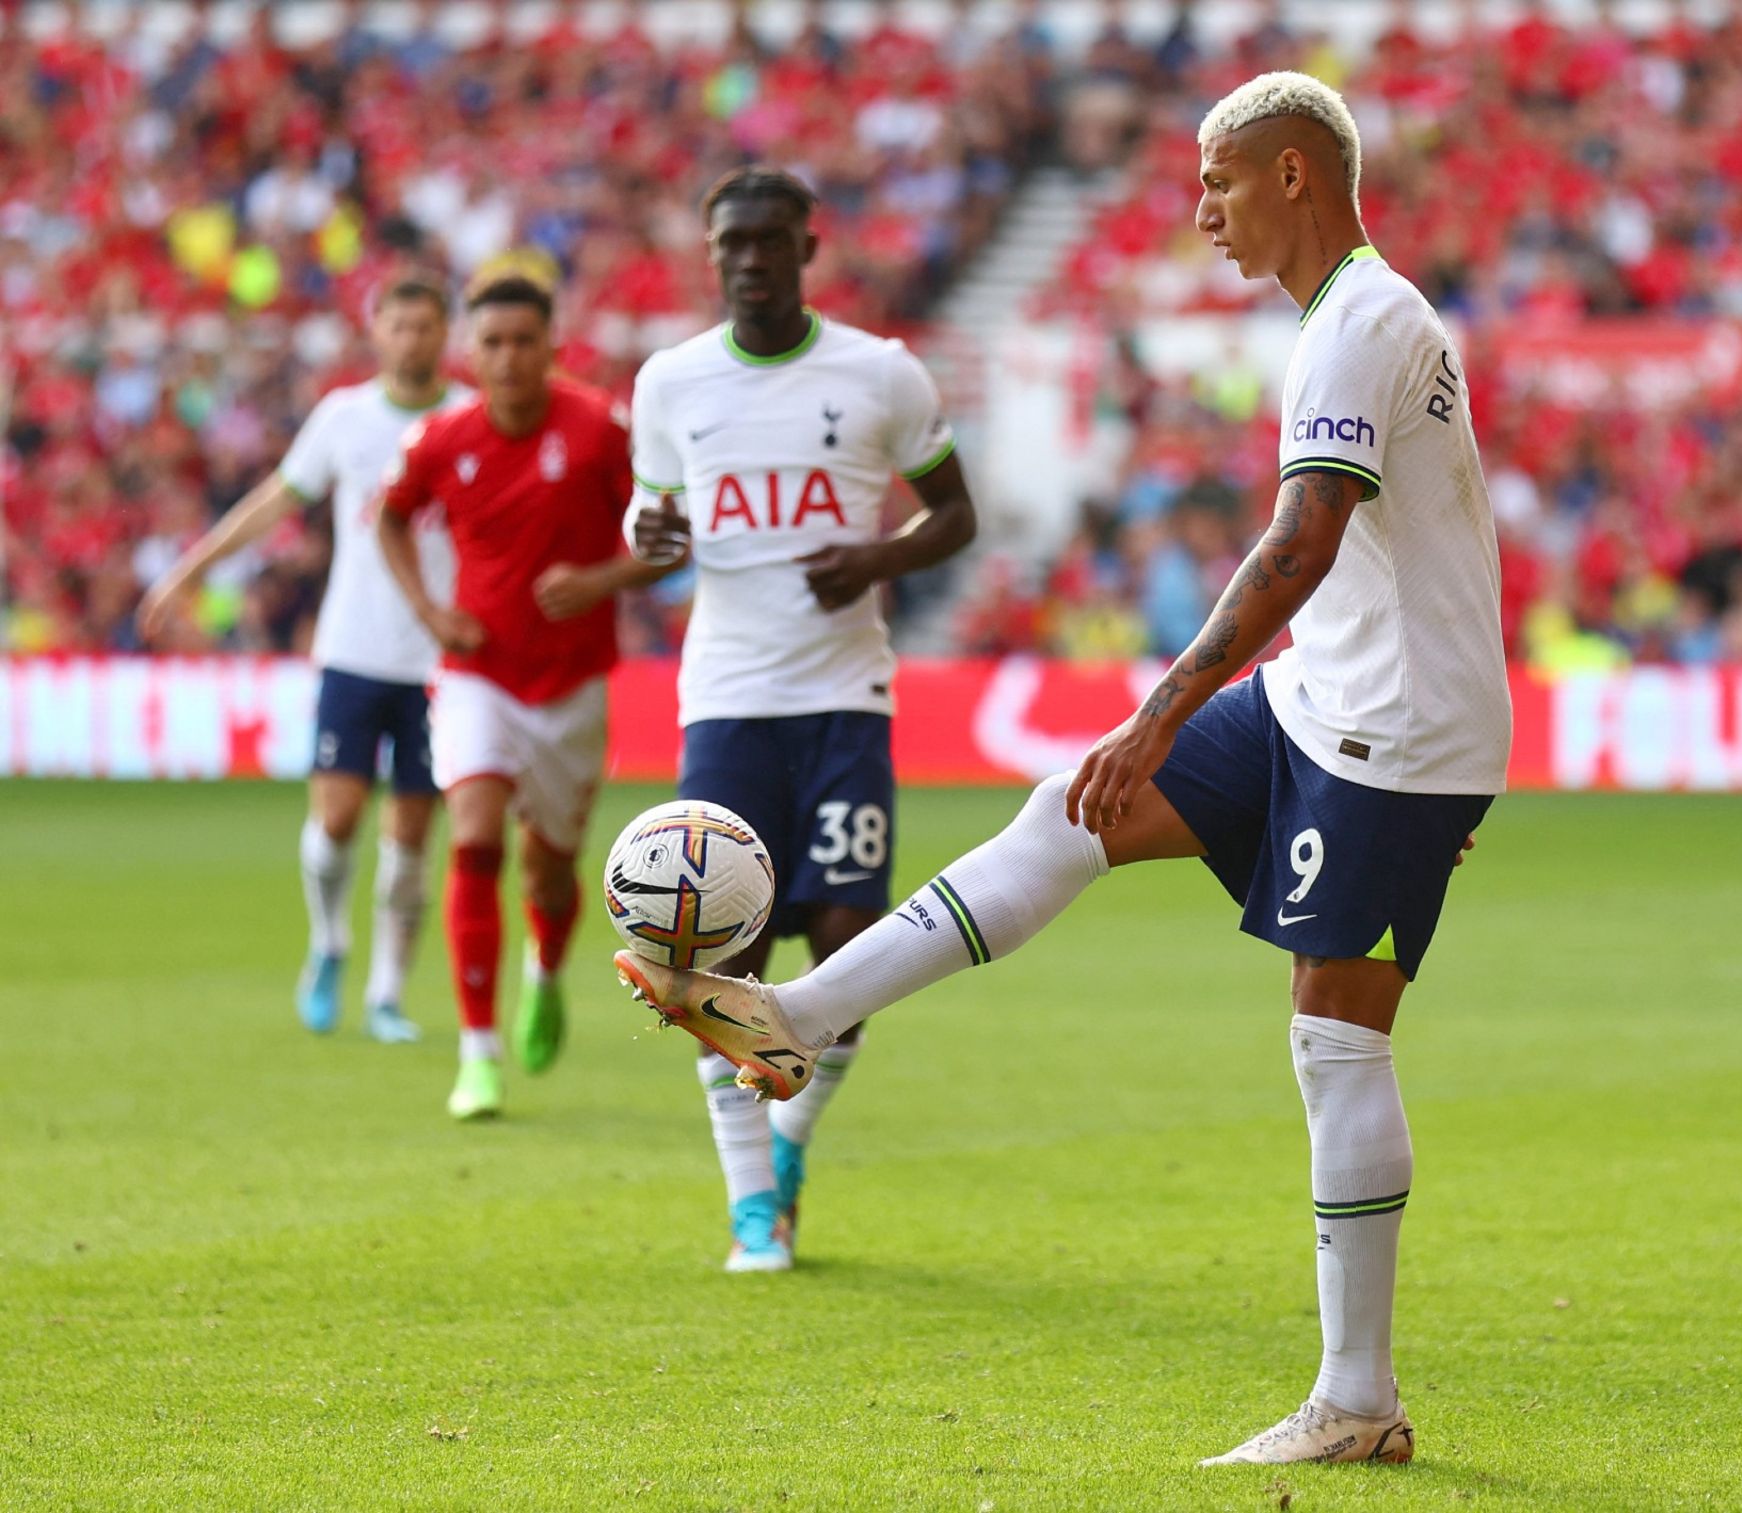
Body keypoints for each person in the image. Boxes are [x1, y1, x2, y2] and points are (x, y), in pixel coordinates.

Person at [615, 72, 1509, 1467]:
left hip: (1394, 730)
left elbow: (1301, 543)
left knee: (1336, 1033)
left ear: (1291, 173)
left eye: (1218, 182)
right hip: (1325, 696)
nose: (1201, 212)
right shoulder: (1343, 319)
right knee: (1069, 812)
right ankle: (790, 1016)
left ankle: (1356, 1401)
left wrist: (1161, 707)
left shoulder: (1363, 322)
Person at [624, 167, 978, 1272]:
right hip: (726, 698)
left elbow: (955, 513)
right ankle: (747, 1206)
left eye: (770, 239)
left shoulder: (876, 372)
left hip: (842, 699)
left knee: (841, 946)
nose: (750, 258)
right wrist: (649, 540)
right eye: (731, 240)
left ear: (806, 249)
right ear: (711, 249)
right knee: (711, 948)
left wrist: (876, 556)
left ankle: (787, 1138)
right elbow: (654, 520)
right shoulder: (671, 383)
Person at [378, 273, 677, 1120]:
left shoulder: (599, 430)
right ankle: (477, 1053)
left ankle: (545, 971)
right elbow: (391, 518)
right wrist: (433, 611)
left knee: (549, 871)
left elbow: (667, 535)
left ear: (552, 346)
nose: (507, 358)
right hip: (478, 675)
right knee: (474, 837)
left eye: (522, 342)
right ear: (469, 353)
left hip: (574, 685)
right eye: (491, 343)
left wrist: (603, 579)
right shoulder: (442, 439)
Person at [138, 274, 467, 1043]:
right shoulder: (345, 417)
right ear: (376, 330)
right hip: (352, 649)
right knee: (339, 818)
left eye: (425, 325)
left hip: (438, 662)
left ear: (443, 332)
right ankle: (328, 945)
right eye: (398, 324)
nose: (411, 339)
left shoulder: (467, 420)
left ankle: (387, 992)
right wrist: (189, 569)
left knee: (411, 834)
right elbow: (274, 501)